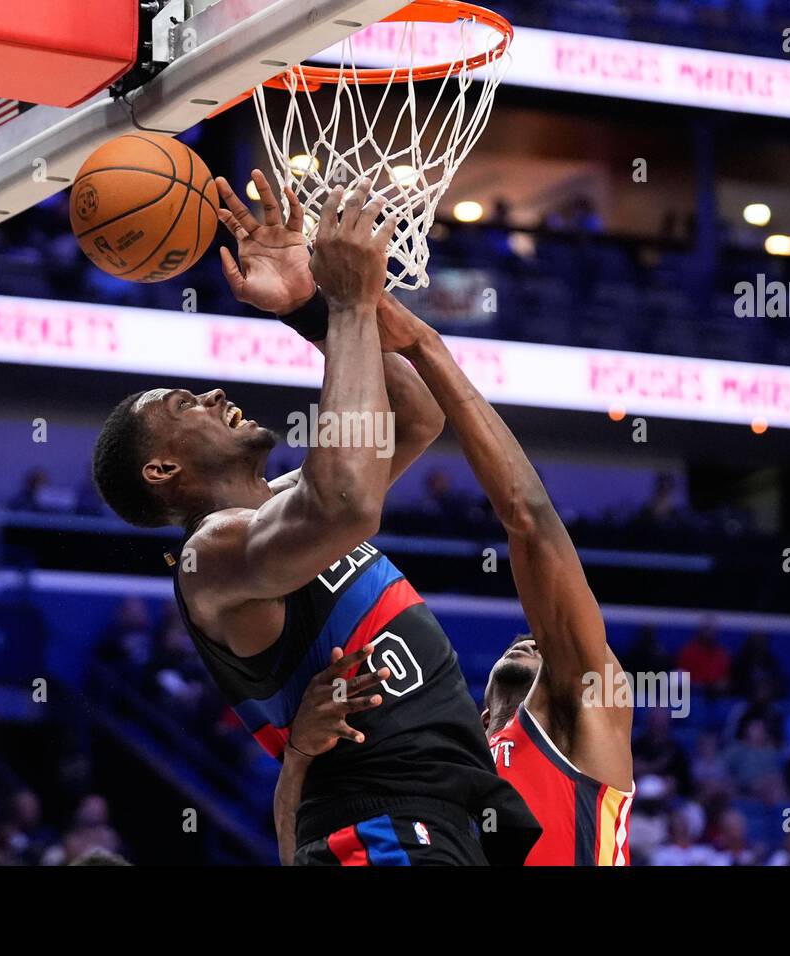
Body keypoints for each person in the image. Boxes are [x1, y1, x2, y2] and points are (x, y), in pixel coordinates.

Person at [91, 172, 538, 865]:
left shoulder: (285, 503)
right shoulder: (210, 558)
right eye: (186, 406)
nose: (213, 393)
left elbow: (417, 416)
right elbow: (349, 503)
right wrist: (352, 305)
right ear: (162, 472)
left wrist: (307, 306)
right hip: (379, 819)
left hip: (436, 809)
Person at [274, 291, 635, 865]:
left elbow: (530, 521)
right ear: (479, 715)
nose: (530, 636)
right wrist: (298, 755)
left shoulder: (582, 714)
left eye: (542, 641)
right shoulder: (434, 773)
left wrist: (425, 345)